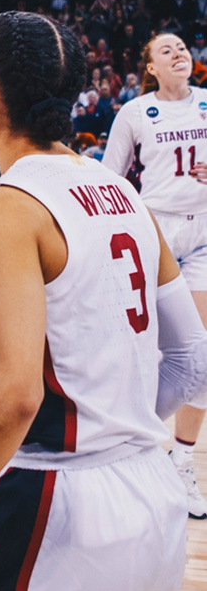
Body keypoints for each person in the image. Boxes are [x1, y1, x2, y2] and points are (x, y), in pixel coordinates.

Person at [0, 11, 207, 591]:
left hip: (59, 503)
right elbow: (194, 362)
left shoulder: (4, 205)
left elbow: (13, 396)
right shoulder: (125, 193)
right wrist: (116, 424)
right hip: (152, 495)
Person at [102, 31, 207, 519]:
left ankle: (181, 459)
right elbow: (109, 176)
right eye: (167, 50)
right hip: (155, 234)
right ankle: (128, 447)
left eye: (183, 47)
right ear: (151, 68)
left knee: (199, 357)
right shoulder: (134, 112)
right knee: (143, 348)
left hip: (205, 234)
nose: (179, 53)